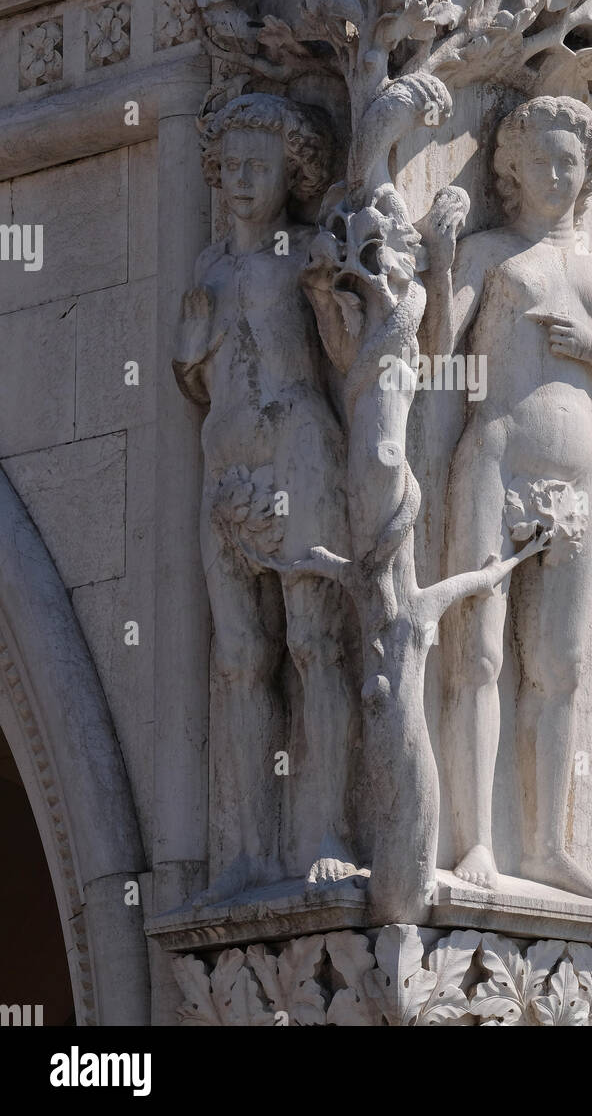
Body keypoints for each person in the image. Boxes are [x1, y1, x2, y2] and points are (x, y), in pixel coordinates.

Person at [428, 95, 592, 899]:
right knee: (477, 653)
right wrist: (441, 261)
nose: (553, 175)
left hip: (577, 483)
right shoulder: (492, 254)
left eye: (567, 163)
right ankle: (478, 840)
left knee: (560, 663)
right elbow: (440, 347)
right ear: (510, 169)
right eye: (539, 161)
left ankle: (545, 843)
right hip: (497, 457)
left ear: (585, 176)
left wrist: (589, 348)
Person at [174, 92, 357, 899]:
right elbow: (190, 375)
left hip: (299, 454)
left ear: (294, 174)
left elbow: (353, 355)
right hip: (226, 467)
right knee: (240, 656)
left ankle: (325, 829)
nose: (243, 180)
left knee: (314, 644)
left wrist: (327, 292)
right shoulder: (208, 269)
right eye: (232, 167)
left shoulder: (308, 250)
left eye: (262, 166)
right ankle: (245, 848)